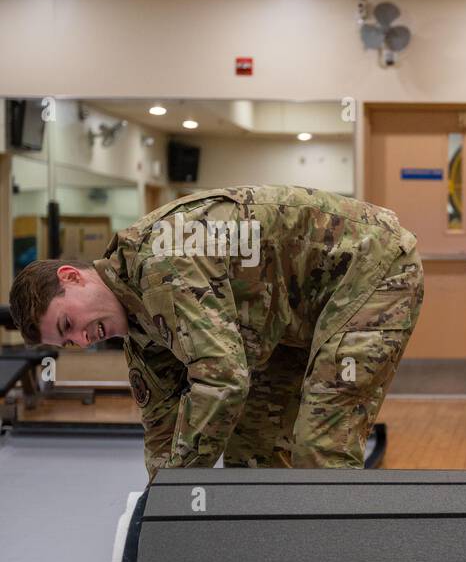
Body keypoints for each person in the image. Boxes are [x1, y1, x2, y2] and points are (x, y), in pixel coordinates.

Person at [8, 185, 423, 476]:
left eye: (69, 324)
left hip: (369, 268)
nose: (82, 339)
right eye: (67, 342)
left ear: (73, 277)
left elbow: (223, 381)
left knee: (321, 446)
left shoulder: (162, 268)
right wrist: (162, 511)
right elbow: (161, 430)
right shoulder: (140, 333)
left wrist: (179, 489)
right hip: (289, 318)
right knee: (253, 457)